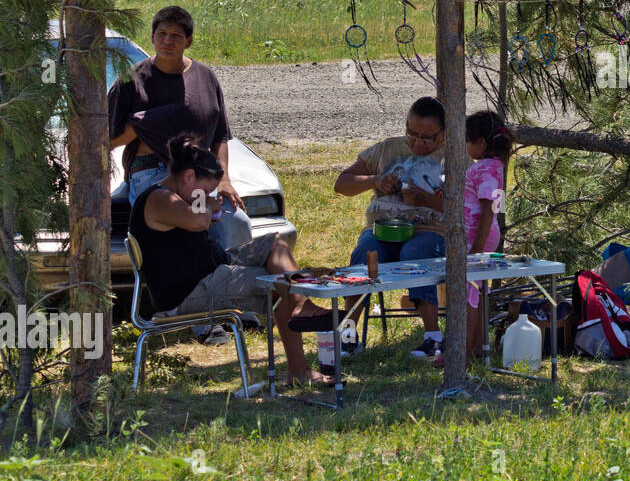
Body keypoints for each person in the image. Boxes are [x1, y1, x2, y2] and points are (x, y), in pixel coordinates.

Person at [130, 135, 336, 386]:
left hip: (211, 270)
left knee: (274, 242)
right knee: (278, 287)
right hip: (188, 291)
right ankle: (299, 369)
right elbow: (197, 221)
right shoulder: (159, 199)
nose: (206, 195)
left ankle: (299, 303)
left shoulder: (178, 196)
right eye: (204, 189)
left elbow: (196, 219)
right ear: (188, 177)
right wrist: (205, 204)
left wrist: (205, 202)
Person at [109, 6, 252, 251]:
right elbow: (106, 140)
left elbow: (220, 136)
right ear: (152, 37)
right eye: (161, 34)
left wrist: (224, 180)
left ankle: (227, 281)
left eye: (175, 36)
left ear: (189, 41)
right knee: (186, 227)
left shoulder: (206, 77)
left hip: (196, 177)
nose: (167, 41)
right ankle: (186, 284)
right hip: (153, 175)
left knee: (233, 223)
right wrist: (137, 128)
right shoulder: (130, 80)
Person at [333, 97, 447, 359]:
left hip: (430, 230)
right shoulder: (387, 149)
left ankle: (432, 337)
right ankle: (348, 335)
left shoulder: (454, 155)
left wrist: (423, 199)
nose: (419, 143)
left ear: (443, 133)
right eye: (412, 134)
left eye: (428, 138)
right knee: (365, 254)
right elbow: (342, 184)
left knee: (416, 253)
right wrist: (375, 180)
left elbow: (463, 206)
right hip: (383, 230)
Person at [416, 110, 512, 366]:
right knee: (478, 292)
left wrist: (477, 247)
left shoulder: (485, 168)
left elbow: (489, 209)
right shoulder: (492, 166)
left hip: (476, 238)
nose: (466, 146)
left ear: (480, 143)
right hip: (478, 237)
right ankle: (479, 346)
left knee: (468, 294)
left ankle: (463, 353)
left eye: (468, 140)